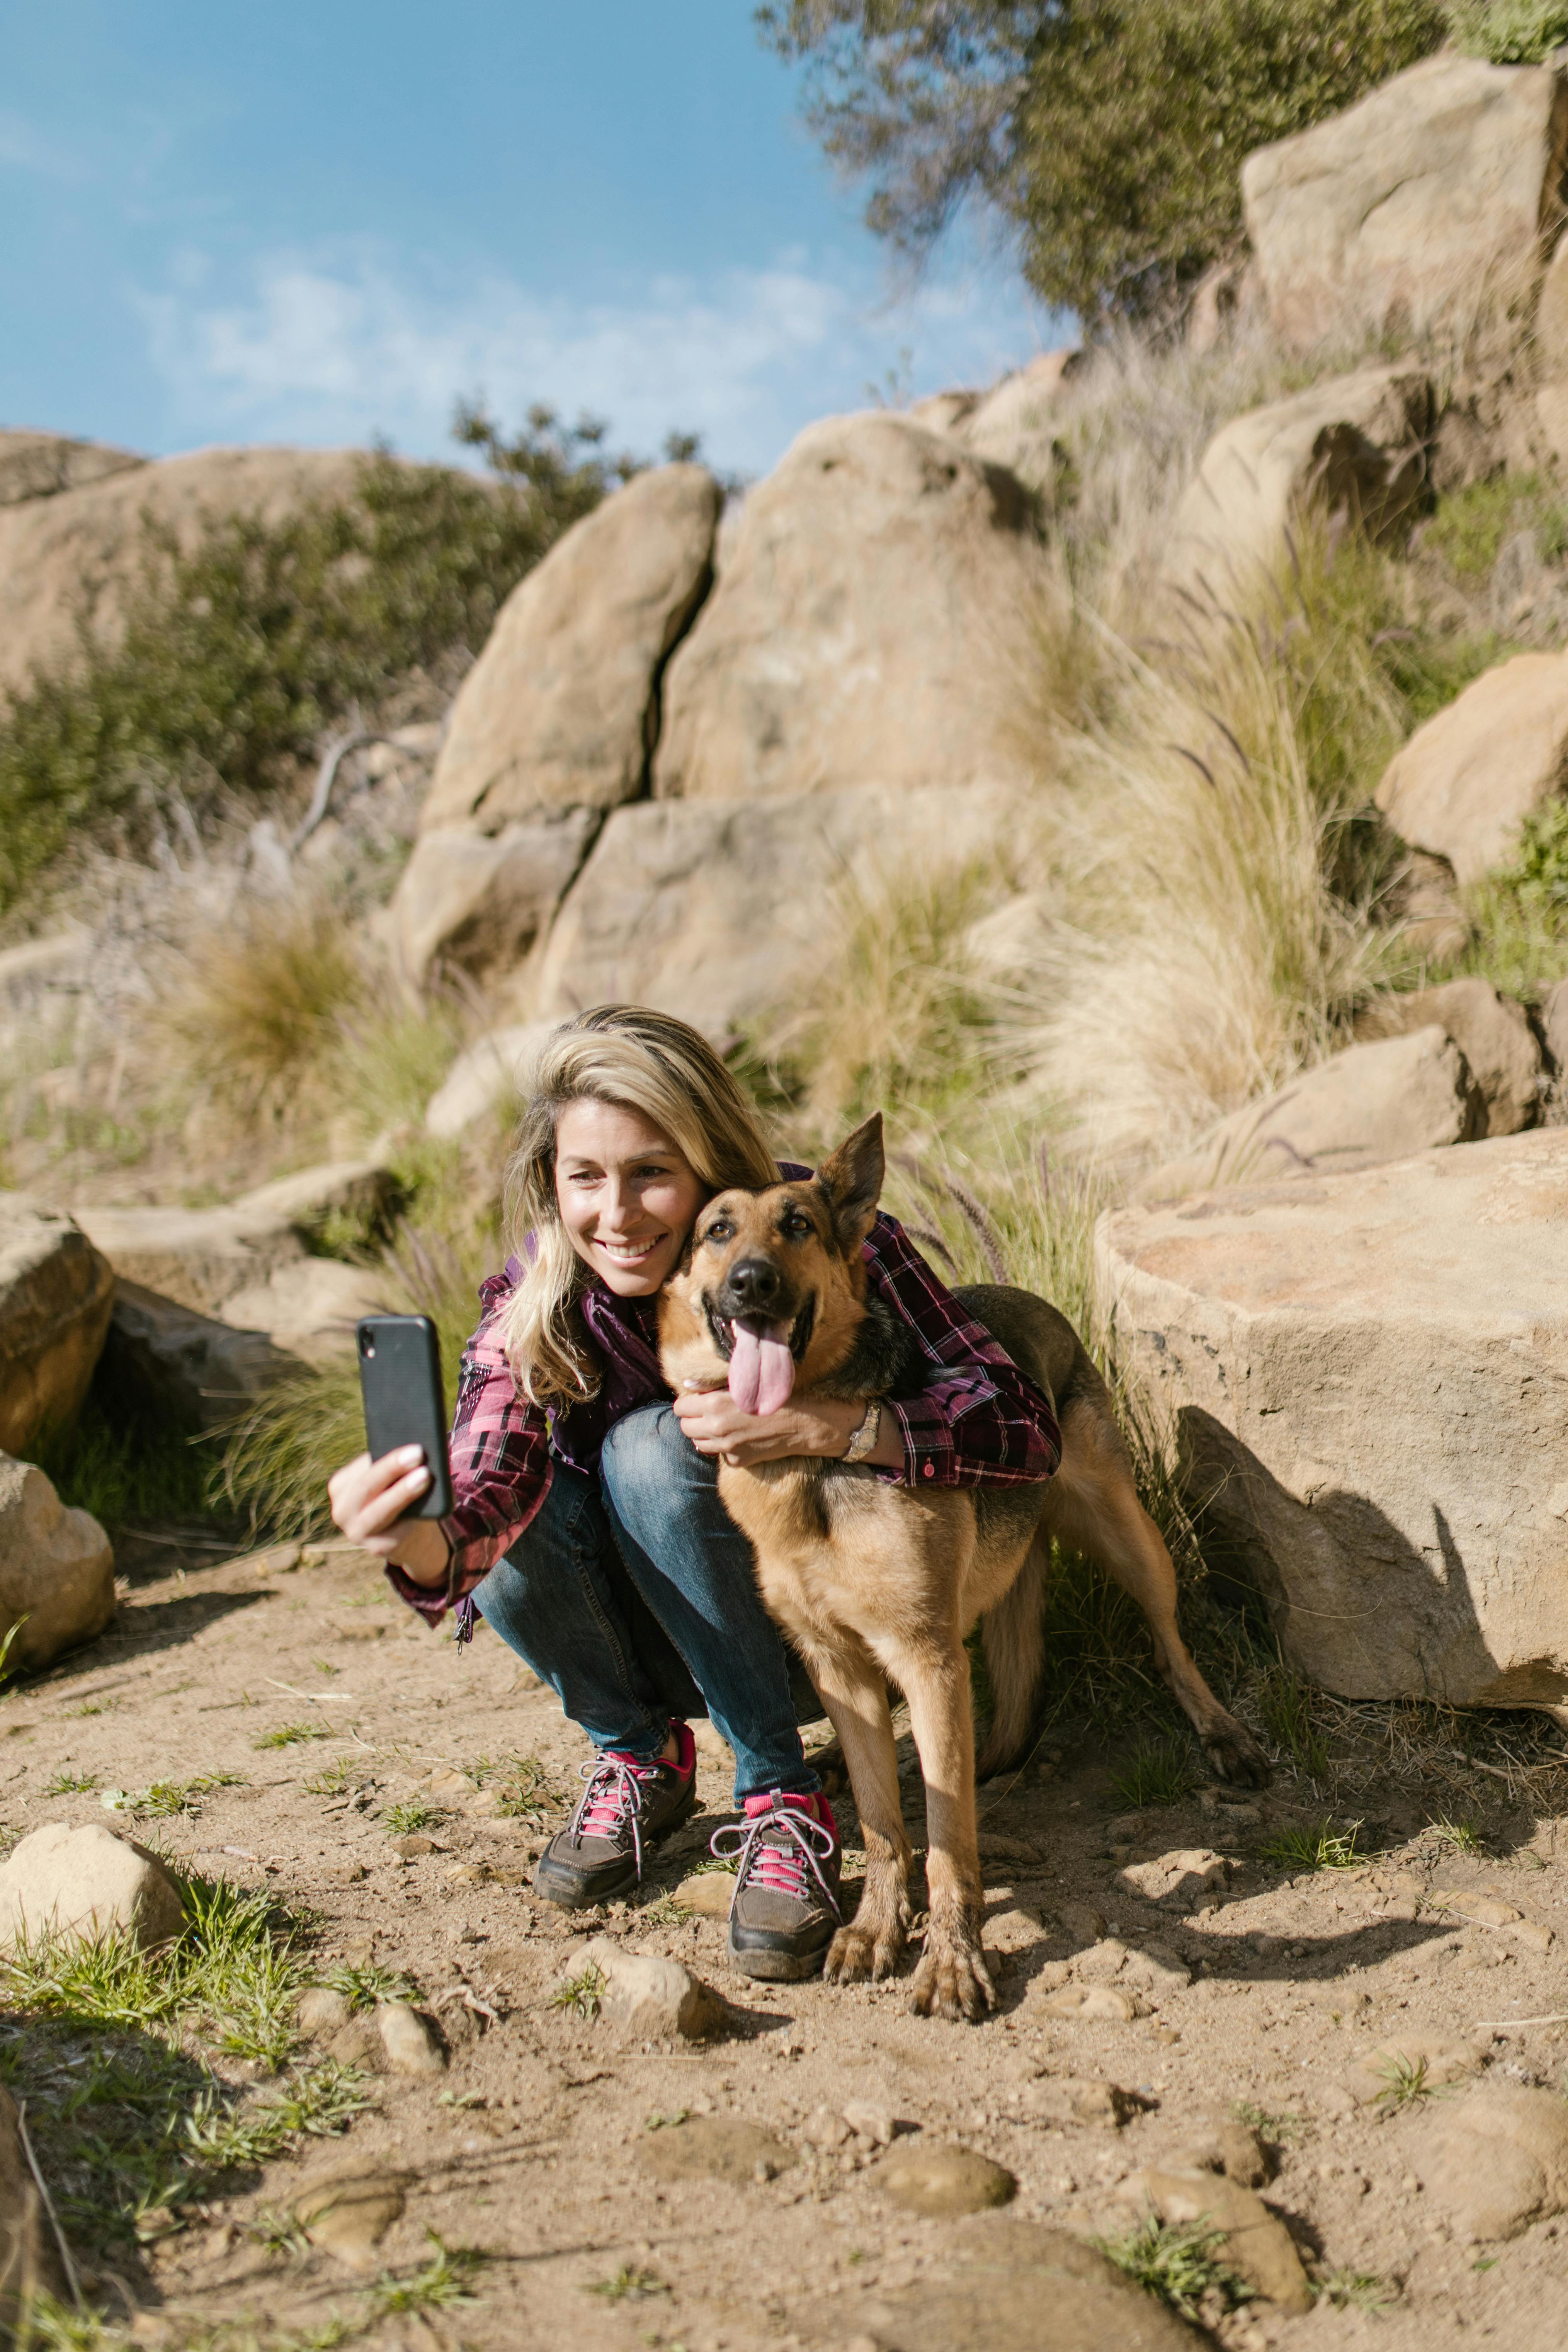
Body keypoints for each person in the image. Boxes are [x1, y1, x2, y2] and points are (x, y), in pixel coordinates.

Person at [328, 1004, 1061, 1981]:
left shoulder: (807, 1235)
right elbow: (490, 1481)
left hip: (805, 1638)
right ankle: (639, 1753)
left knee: (649, 1452)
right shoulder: (536, 1303)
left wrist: (833, 1426)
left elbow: (1022, 1424)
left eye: (649, 1173)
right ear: (552, 1187)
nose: (617, 1213)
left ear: (707, 1162)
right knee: (507, 1548)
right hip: (655, 1631)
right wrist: (417, 1542)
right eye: (584, 1177)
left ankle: (779, 1794)